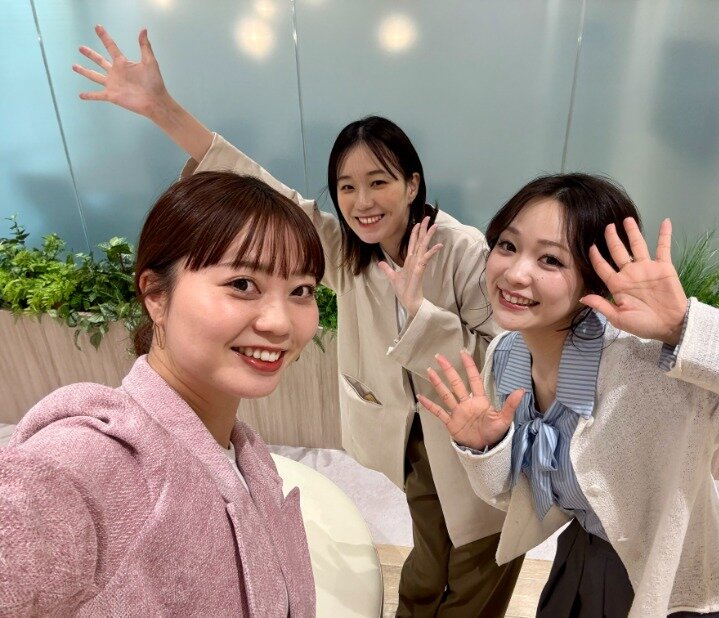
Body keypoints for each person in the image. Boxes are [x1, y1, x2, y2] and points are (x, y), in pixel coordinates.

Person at [73, 26, 524, 615]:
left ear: (413, 184)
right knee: (429, 551)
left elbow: (507, 355)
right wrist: (163, 109)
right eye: (347, 187)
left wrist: (421, 314)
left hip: (474, 438)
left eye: (379, 182)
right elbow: (266, 194)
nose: (362, 202)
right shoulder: (348, 251)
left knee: (478, 561)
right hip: (410, 438)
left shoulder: (461, 251)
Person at [418, 174, 719, 617]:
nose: (515, 273)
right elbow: (518, 496)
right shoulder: (506, 356)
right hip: (580, 561)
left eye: (551, 259)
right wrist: (486, 449)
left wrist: (685, 329)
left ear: (596, 279)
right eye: (508, 245)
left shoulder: (654, 369)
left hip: (679, 587)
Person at [0, 171, 322, 616]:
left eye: (301, 291)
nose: (281, 323)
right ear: (155, 295)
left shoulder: (246, 451)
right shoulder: (94, 460)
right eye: (242, 284)